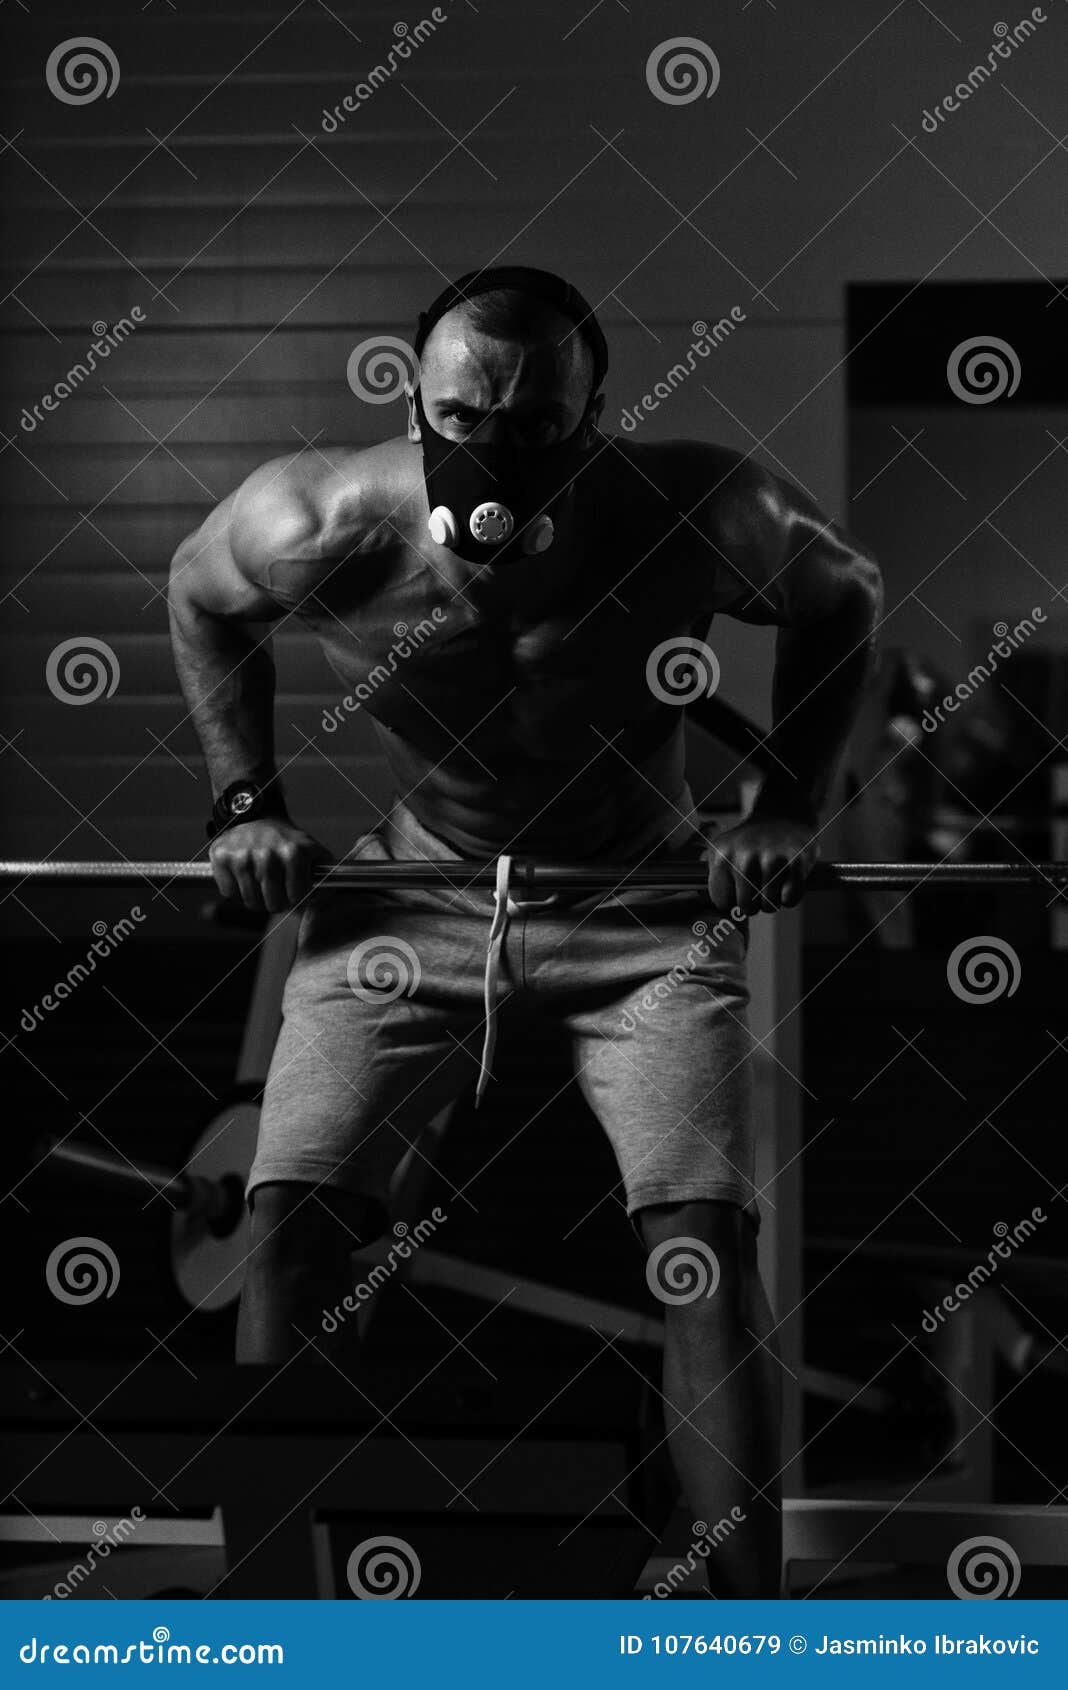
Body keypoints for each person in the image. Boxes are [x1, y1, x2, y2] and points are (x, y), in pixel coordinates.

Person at [168, 265, 882, 1597]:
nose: (494, 455)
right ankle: (275, 1613)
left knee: (700, 1251)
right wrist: (244, 803)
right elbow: (197, 594)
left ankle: (743, 1625)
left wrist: (787, 803)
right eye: (462, 416)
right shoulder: (320, 518)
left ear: (594, 412)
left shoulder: (691, 508)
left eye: (536, 426)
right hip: (417, 896)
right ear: (415, 398)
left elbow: (844, 591)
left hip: (646, 909)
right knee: (287, 1225)